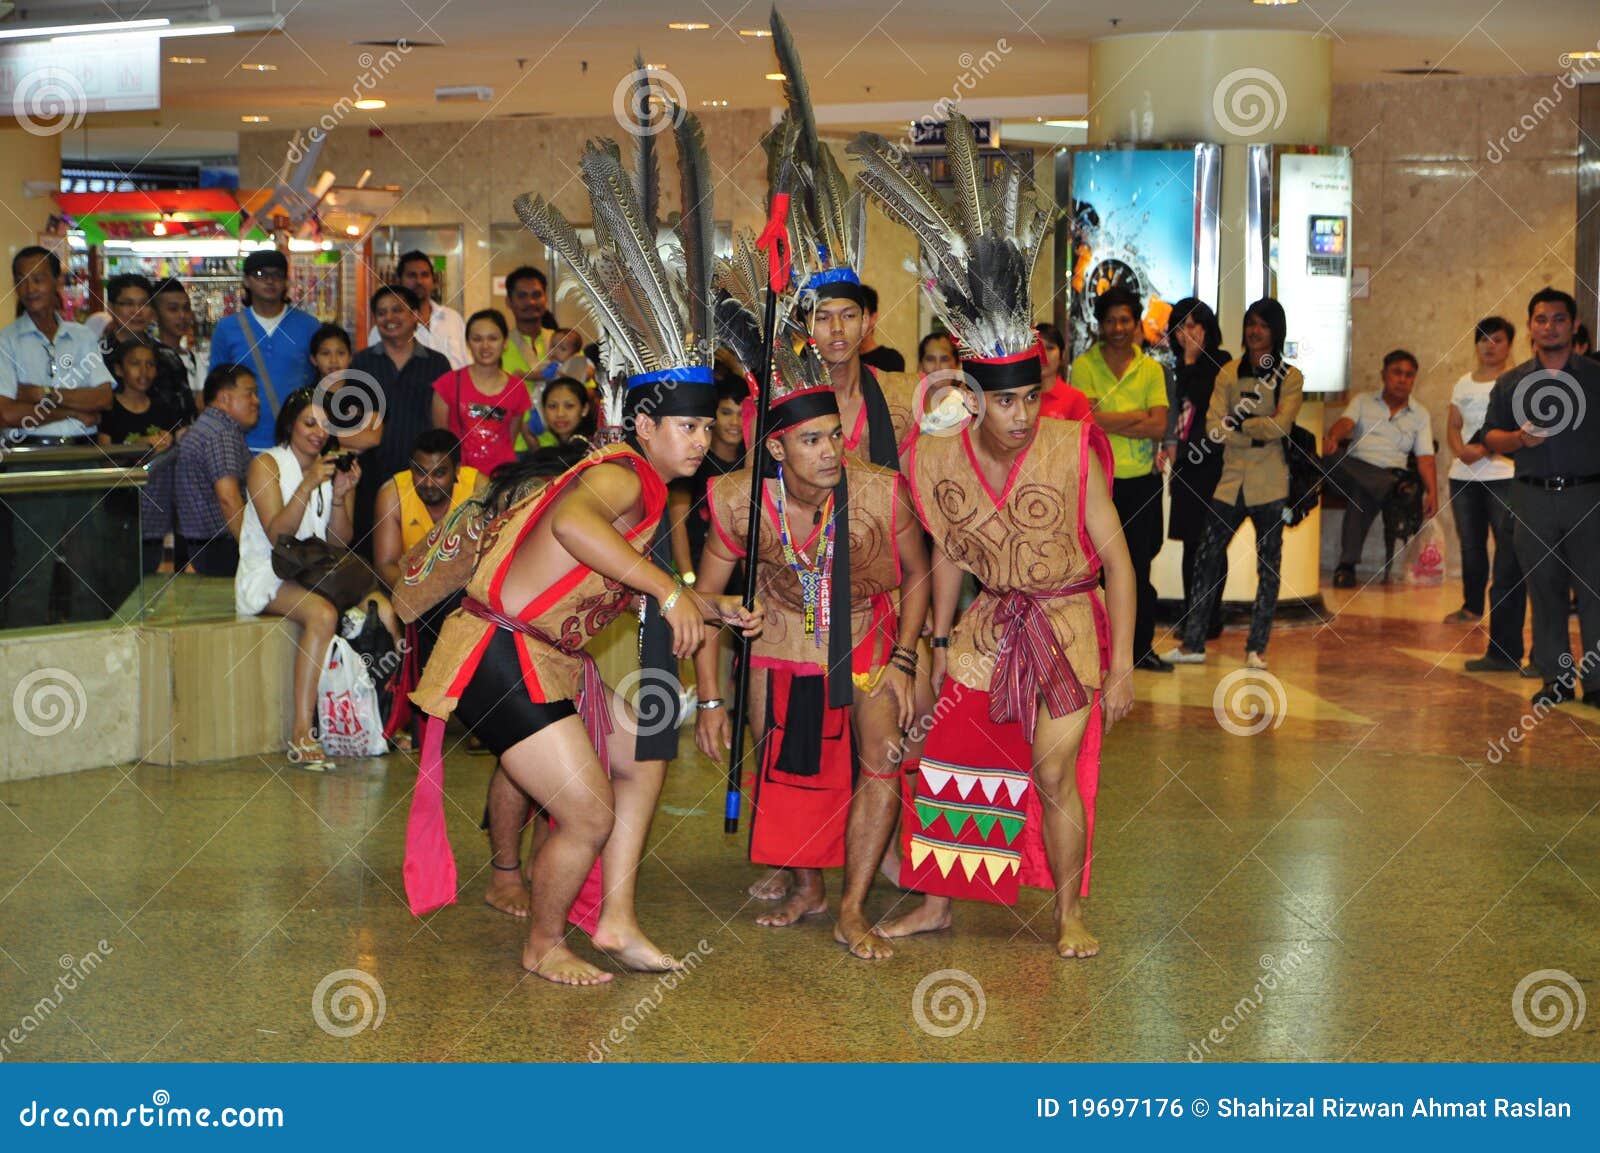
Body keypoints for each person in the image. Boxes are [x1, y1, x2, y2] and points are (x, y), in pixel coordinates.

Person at [405, 110, 761, 984]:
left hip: (529, 654)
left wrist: (701, 601)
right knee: (593, 812)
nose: (697, 438)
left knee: (594, 805)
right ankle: (546, 944)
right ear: (644, 421)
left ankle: (594, 928)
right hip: (502, 654)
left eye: (705, 425)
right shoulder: (626, 474)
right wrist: (675, 594)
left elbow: (596, 572)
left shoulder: (646, 483)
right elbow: (570, 528)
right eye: (682, 426)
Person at [850, 110, 1135, 960]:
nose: (1019, 416)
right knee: (950, 755)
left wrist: (1121, 664)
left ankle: (1068, 914)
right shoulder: (938, 456)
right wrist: (933, 642)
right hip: (986, 624)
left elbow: (1116, 558)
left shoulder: (1071, 445)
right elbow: (940, 551)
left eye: (1029, 399)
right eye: (1003, 400)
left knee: (1052, 775)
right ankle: (939, 899)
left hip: (1071, 626)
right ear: (973, 395)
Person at [693, 382, 930, 960]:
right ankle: (809, 887)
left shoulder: (880, 492)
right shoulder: (736, 500)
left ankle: (852, 908)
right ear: (776, 450)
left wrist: (904, 660)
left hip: (866, 628)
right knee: (779, 763)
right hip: (778, 630)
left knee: (883, 759)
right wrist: (708, 701)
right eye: (811, 440)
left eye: (834, 436)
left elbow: (919, 575)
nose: (830, 451)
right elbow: (702, 600)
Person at [236, 388, 394, 766]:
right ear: (290, 424)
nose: (318, 433)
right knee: (323, 615)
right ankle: (301, 730)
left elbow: (340, 540)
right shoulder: (267, 465)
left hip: (317, 572)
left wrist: (340, 495)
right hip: (270, 573)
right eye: (309, 423)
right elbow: (278, 537)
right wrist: (308, 486)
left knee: (386, 610)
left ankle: (385, 720)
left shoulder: (332, 467)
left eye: (325, 426)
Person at [1163, 298, 1302, 670]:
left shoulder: (1290, 377)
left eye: (1263, 325)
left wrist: (1240, 426)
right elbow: (1213, 428)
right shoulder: (1227, 372)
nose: (1255, 332)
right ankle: (1194, 643)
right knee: (1206, 558)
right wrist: (1258, 426)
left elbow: (1281, 426)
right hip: (1229, 483)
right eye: (1250, 324)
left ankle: (1257, 649)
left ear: (1276, 331)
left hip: (1270, 486)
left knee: (1268, 568)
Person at [1480, 287, 1600, 709]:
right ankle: (1557, 677)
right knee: (1545, 592)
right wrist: (1517, 438)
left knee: (1594, 591)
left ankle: (1598, 682)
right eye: (1541, 319)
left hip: (1588, 496)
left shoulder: (1595, 377)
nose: (1550, 326)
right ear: (1531, 326)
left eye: (1559, 319)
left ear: (1574, 325)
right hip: (1532, 500)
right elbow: (1489, 434)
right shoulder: (1511, 383)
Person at [0, 247, 116, 628]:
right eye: (21, 279)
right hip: (31, 460)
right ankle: (20, 664)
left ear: (57, 283)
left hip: (83, 459)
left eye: (38, 278)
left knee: (89, 567)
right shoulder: (7, 341)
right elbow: (6, 413)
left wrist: (41, 395)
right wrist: (73, 409)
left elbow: (103, 397)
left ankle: (94, 655)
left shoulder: (81, 336)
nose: (29, 287)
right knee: (32, 568)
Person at [1070, 285, 1170, 670]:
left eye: (1125, 319)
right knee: (1098, 568)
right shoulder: (1083, 366)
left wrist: (1110, 418)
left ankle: (1140, 649)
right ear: (1100, 324)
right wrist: (1135, 416)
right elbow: (1087, 421)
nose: (1117, 327)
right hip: (1098, 484)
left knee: (1139, 568)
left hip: (1142, 481)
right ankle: (1099, 650)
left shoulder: (1151, 369)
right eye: (1110, 319)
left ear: (1135, 323)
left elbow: (1158, 424)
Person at [1446, 316, 1528, 673]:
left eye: (1497, 340)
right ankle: (1471, 605)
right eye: (1483, 340)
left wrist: (1482, 449)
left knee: (1507, 551)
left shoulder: (1516, 381)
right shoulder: (1463, 382)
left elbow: (1513, 428)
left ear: (1509, 345)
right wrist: (1459, 449)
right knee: (1471, 544)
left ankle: (1504, 630)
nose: (1489, 346)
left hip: (1502, 474)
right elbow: (1452, 423)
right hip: (1462, 474)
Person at [349, 285, 452, 548]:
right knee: (372, 549)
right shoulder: (361, 363)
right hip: (370, 475)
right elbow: (352, 423)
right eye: (381, 312)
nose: (389, 318)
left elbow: (442, 425)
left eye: (398, 310)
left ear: (416, 315)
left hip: (422, 475)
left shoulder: (437, 364)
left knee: (423, 547)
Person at [1323, 350, 1438, 587]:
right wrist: (1334, 436)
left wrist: (1433, 492)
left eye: (1409, 375)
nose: (1402, 379)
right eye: (1397, 373)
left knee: (1362, 492)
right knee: (1327, 459)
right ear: (1384, 374)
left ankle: (1347, 566)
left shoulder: (1420, 414)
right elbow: (1346, 423)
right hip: (1352, 469)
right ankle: (1390, 487)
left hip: (1385, 474)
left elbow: (1425, 457)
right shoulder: (1363, 401)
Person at [1157, 299, 1232, 641]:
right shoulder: (1174, 365)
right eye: (1182, 326)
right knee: (1191, 543)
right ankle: (1193, 614)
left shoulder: (1223, 362)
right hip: (1187, 465)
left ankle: (1210, 617)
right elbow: (1175, 410)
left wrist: (1189, 360)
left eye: (1194, 324)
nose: (1188, 333)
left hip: (1215, 464)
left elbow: (1201, 397)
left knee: (1211, 543)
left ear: (1207, 327)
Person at [207, 249, 320, 452]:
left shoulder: (309, 327)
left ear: (286, 282)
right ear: (247, 281)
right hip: (241, 444)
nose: (270, 281)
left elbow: (319, 383)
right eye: (260, 275)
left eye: (277, 275)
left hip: (295, 444)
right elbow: (216, 390)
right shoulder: (227, 328)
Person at [98, 337, 193, 572]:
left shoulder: (163, 407)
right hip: (118, 506)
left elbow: (179, 451)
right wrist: (141, 444)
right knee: (119, 570)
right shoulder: (110, 409)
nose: (144, 371)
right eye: (135, 364)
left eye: (150, 364)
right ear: (119, 370)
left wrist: (172, 442)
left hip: (154, 506)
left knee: (148, 568)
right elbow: (105, 457)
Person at [175, 363, 259, 576]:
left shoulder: (210, 427)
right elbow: (228, 499)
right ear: (224, 398)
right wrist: (252, 551)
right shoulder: (221, 434)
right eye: (250, 394)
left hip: (205, 545)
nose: (256, 401)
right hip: (220, 548)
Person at [430, 309, 532, 474]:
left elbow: (509, 439)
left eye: (493, 338)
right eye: (477, 339)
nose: (485, 346)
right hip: (461, 480)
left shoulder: (517, 388)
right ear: (468, 343)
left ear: (505, 342)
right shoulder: (447, 384)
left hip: (501, 478)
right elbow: (442, 441)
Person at [669, 373, 746, 582]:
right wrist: (688, 576)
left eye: (742, 414)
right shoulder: (694, 461)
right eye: (726, 412)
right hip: (698, 571)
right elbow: (678, 523)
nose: (735, 422)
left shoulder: (751, 461)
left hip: (740, 578)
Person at [366, 250, 468, 369]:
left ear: (433, 281)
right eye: (412, 275)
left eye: (425, 275)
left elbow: (467, 363)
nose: (419, 281)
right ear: (398, 281)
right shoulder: (385, 328)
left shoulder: (453, 319)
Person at [308, 323, 384, 454]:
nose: (333, 360)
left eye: (341, 353)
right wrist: (355, 438)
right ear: (314, 359)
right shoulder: (308, 397)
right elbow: (307, 439)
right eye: (325, 353)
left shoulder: (366, 391)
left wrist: (328, 436)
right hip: (323, 471)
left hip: (368, 471)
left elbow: (372, 439)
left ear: (350, 357)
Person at [150, 278, 208, 410]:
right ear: (154, 314)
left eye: (186, 308)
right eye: (173, 309)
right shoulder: (150, 358)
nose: (182, 315)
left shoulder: (195, 359)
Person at [1036, 321, 1092, 421]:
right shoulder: (1019, 396)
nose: (1043, 354)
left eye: (1050, 348)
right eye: (1037, 348)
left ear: (1062, 354)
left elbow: (1086, 435)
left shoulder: (1075, 399)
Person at [97, 273, 154, 369]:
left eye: (144, 304)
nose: (137, 311)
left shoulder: (165, 355)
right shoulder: (97, 354)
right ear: (110, 308)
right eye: (128, 304)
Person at [530, 376, 597, 451]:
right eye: (552, 406)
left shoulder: (584, 449)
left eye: (569, 406)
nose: (560, 414)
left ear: (584, 409)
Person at [856, 284, 906, 373]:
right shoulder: (842, 358)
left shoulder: (891, 360)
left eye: (861, 316)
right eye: (849, 316)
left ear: (873, 318)